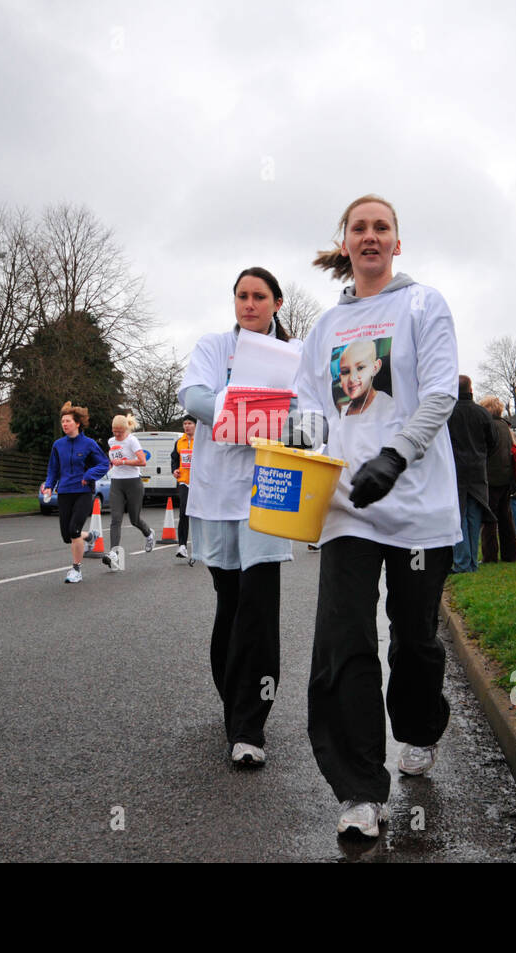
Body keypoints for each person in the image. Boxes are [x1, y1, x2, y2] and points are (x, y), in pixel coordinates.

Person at [296, 194, 460, 839]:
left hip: (418, 505)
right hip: (346, 508)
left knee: (414, 637)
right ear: (345, 242)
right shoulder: (323, 328)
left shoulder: (423, 305)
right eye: (358, 228)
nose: (370, 236)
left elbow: (442, 390)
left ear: (397, 242)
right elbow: (310, 404)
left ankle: (419, 730)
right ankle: (359, 789)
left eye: (381, 228)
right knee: (345, 639)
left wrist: (395, 456)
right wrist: (307, 441)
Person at [178, 266, 296, 769]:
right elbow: (194, 398)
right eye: (242, 296)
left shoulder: (294, 352)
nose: (249, 304)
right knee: (229, 601)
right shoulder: (211, 346)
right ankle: (233, 703)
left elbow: (306, 412)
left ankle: (250, 725)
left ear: (277, 303)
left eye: (259, 296)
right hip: (219, 491)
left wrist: (254, 415)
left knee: (259, 603)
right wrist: (256, 412)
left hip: (271, 488)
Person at [41, 401, 110, 584]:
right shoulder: (58, 445)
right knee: (67, 536)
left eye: (68, 421)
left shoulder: (89, 444)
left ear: (77, 423)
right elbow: (53, 469)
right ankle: (90, 536)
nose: (64, 424)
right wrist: (49, 485)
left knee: (74, 530)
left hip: (83, 491)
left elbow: (104, 464)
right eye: (63, 421)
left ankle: (76, 569)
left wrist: (89, 475)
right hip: (64, 492)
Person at [447, 375, 496, 573]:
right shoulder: (483, 414)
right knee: (474, 518)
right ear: (471, 389)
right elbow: (493, 442)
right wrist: (481, 456)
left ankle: (461, 562)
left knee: (457, 518)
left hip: (455, 471)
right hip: (477, 471)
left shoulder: (448, 413)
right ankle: (472, 563)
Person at [104, 413, 155, 570]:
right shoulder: (111, 441)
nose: (117, 434)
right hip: (116, 482)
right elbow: (112, 456)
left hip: (133, 482)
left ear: (125, 429)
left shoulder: (132, 440)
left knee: (134, 519)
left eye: (119, 431)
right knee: (116, 518)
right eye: (114, 431)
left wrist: (124, 461)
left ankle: (149, 534)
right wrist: (111, 464)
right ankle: (113, 552)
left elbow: (142, 461)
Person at [478, 396, 516, 563]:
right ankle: (510, 555)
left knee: (489, 518)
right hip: (506, 477)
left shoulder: (489, 427)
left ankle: (490, 555)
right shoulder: (505, 426)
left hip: (491, 478)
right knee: (506, 518)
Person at [170, 414, 196, 559]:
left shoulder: (201, 441)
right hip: (184, 481)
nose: (187, 426)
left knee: (199, 515)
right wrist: (174, 469)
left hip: (199, 482)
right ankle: (182, 546)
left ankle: (202, 546)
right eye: (185, 423)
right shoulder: (179, 442)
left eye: (190, 423)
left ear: (196, 425)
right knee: (183, 513)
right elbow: (174, 458)